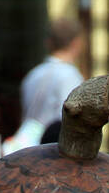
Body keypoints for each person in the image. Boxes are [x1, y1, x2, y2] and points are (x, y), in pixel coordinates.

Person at [5, 18, 85, 152]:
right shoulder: (71, 76)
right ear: (76, 43)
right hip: (51, 154)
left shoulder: (33, 75)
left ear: (49, 43)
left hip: (26, 151)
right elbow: (69, 122)